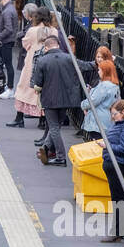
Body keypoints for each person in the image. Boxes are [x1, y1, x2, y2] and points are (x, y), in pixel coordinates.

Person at [30, 32, 84, 165]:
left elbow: (38, 82)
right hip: (65, 99)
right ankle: (45, 148)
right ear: (58, 45)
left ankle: (60, 157)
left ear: (46, 47)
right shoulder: (68, 58)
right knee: (57, 126)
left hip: (50, 99)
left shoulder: (42, 60)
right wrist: (97, 63)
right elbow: (84, 66)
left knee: (53, 128)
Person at [99, 100, 124, 242]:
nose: (113, 117)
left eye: (114, 114)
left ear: (123, 112)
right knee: (122, 197)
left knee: (118, 199)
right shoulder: (122, 125)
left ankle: (116, 232)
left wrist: (106, 145)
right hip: (115, 165)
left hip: (119, 165)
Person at [8, 5, 48, 129]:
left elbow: (25, 44)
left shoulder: (33, 30)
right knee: (43, 91)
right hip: (47, 62)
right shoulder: (53, 31)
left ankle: (19, 118)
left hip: (32, 62)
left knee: (23, 88)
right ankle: (42, 120)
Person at [80, 57, 120, 139]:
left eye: (99, 70)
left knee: (97, 145)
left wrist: (83, 105)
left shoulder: (104, 86)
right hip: (108, 118)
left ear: (104, 72)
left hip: (98, 121)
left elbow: (92, 101)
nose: (98, 72)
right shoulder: (115, 85)